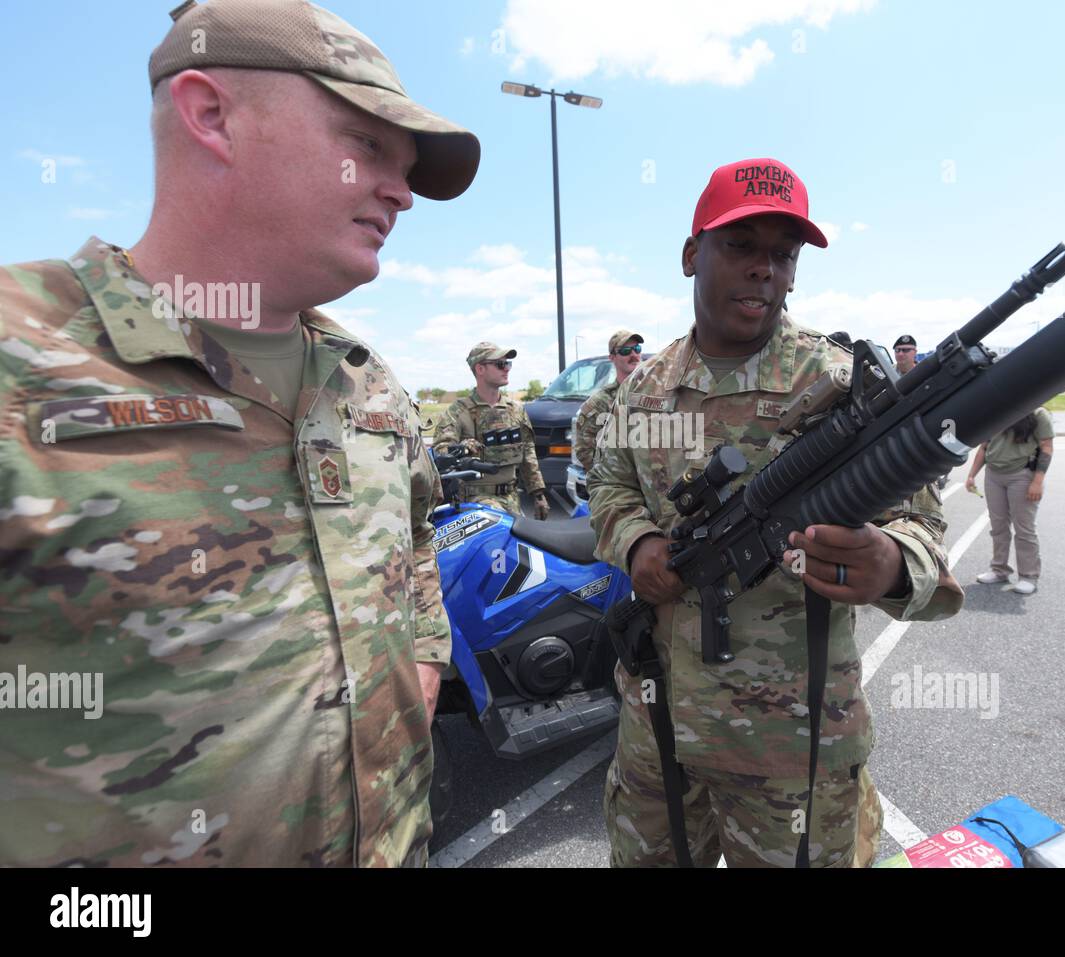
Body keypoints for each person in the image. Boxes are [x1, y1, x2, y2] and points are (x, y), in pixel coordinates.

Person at [0, 0, 480, 867]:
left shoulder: (365, 377)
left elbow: (415, 550)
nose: (402, 192)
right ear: (211, 114)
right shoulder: (21, 356)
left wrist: (418, 664)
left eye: (406, 166)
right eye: (368, 144)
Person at [588, 158, 963, 868]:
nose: (764, 269)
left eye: (782, 255)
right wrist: (636, 544)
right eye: (741, 246)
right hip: (658, 727)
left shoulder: (843, 387)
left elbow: (924, 534)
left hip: (796, 750)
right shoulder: (641, 394)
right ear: (692, 253)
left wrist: (888, 562)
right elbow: (608, 485)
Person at [431, 342, 548, 519]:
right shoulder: (458, 411)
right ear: (480, 368)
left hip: (512, 498)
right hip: (476, 501)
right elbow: (441, 451)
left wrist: (538, 494)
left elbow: (528, 453)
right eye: (500, 364)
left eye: (508, 364)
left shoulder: (516, 409)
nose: (507, 369)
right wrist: (463, 448)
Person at [964, 407, 1055, 595]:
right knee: (998, 526)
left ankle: (1029, 576)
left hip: (1022, 475)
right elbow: (984, 446)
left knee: (1024, 529)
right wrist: (972, 475)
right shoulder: (998, 408)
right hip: (994, 475)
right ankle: (999, 570)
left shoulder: (1038, 414)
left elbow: (1047, 447)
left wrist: (1037, 481)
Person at [572, 329, 644, 472]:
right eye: (625, 351)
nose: (634, 355)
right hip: (622, 487)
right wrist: (614, 478)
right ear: (612, 357)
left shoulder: (659, 395)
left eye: (637, 349)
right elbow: (584, 450)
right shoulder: (599, 402)